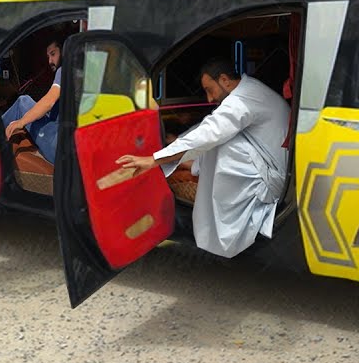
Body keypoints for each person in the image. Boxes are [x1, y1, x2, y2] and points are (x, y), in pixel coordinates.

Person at [117, 58, 290, 258]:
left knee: (220, 142)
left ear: (224, 80)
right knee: (212, 137)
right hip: (272, 167)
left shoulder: (244, 99)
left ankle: (224, 224)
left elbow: (211, 132)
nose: (209, 98)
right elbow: (210, 124)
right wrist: (172, 146)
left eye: (210, 90)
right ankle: (187, 163)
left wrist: (153, 160)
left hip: (273, 179)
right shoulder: (249, 90)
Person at [1, 39, 63, 162]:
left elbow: (49, 102)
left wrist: (21, 122)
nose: (50, 61)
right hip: (67, 142)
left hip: (58, 146)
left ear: (64, 52)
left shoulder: (65, 70)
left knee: (23, 102)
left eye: (53, 54)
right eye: (48, 56)